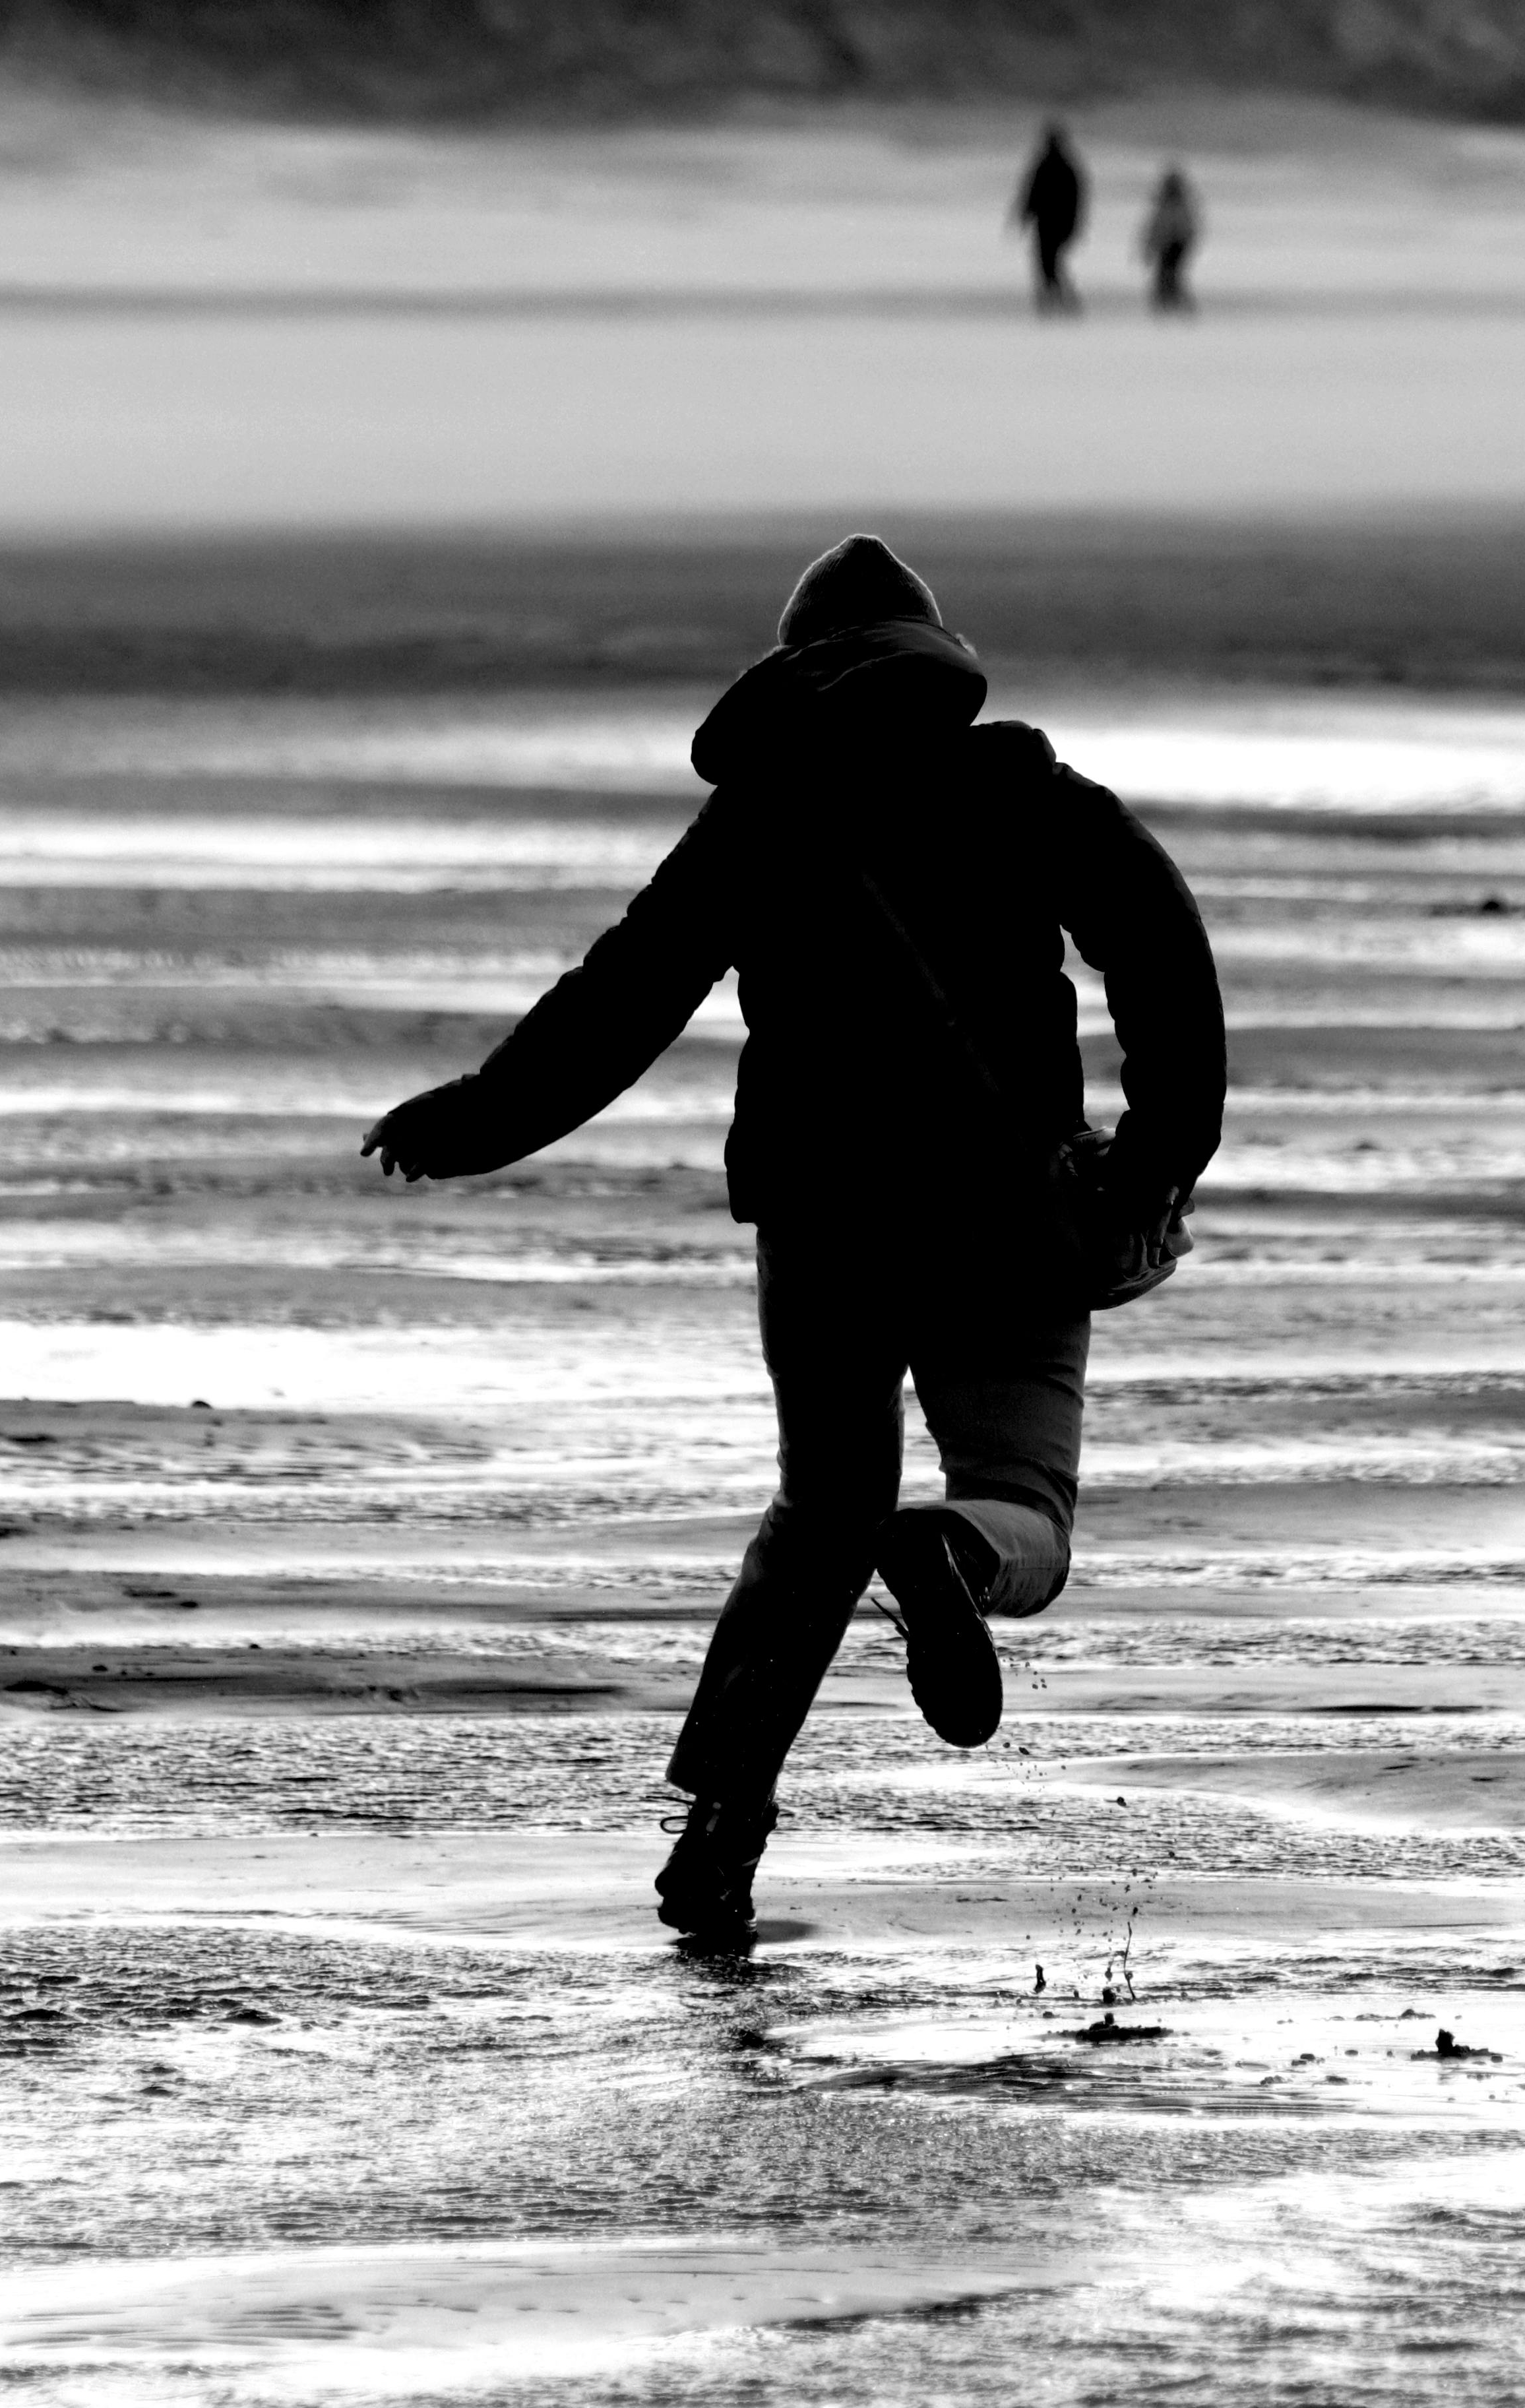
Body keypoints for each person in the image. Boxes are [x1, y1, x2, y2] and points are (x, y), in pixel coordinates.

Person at [360, 535, 1224, 1942]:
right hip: (1006, 1205)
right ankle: (946, 1553)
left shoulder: (758, 822)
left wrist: (476, 1118)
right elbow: (1165, 953)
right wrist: (1158, 1152)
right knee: (1020, 1501)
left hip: (826, 1221)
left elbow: (624, 993)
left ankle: (722, 1831)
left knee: (820, 1512)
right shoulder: (1025, 793)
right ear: (934, 666)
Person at [1011, 121, 1087, 315]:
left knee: (1047, 262)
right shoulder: (1066, 167)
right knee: (1051, 263)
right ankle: (1059, 301)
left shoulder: (1047, 166)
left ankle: (1055, 301)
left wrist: (1024, 216)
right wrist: (1075, 224)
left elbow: (1033, 194)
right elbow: (1076, 200)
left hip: (1048, 223)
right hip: (1059, 223)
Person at [1139, 164, 1202, 315]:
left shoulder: (1175, 205)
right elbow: (1157, 227)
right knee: (1167, 277)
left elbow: (1160, 226)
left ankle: (1174, 308)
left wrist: (1151, 245)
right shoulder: (1171, 204)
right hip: (1171, 245)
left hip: (1175, 245)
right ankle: (1169, 308)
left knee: (1169, 276)